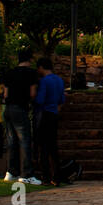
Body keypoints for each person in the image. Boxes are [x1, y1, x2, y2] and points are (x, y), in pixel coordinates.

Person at [2, 48, 41, 185]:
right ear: (30, 59)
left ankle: (11, 172)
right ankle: (26, 174)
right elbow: (32, 93)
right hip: (20, 108)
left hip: (8, 109)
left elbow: (5, 94)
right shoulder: (31, 73)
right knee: (24, 140)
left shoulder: (9, 73)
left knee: (12, 141)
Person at [33, 57, 66, 186]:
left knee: (44, 148)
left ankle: (46, 176)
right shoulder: (59, 80)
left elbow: (40, 100)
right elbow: (62, 99)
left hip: (45, 114)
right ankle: (57, 176)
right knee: (53, 147)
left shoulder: (44, 81)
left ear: (41, 67)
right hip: (54, 113)